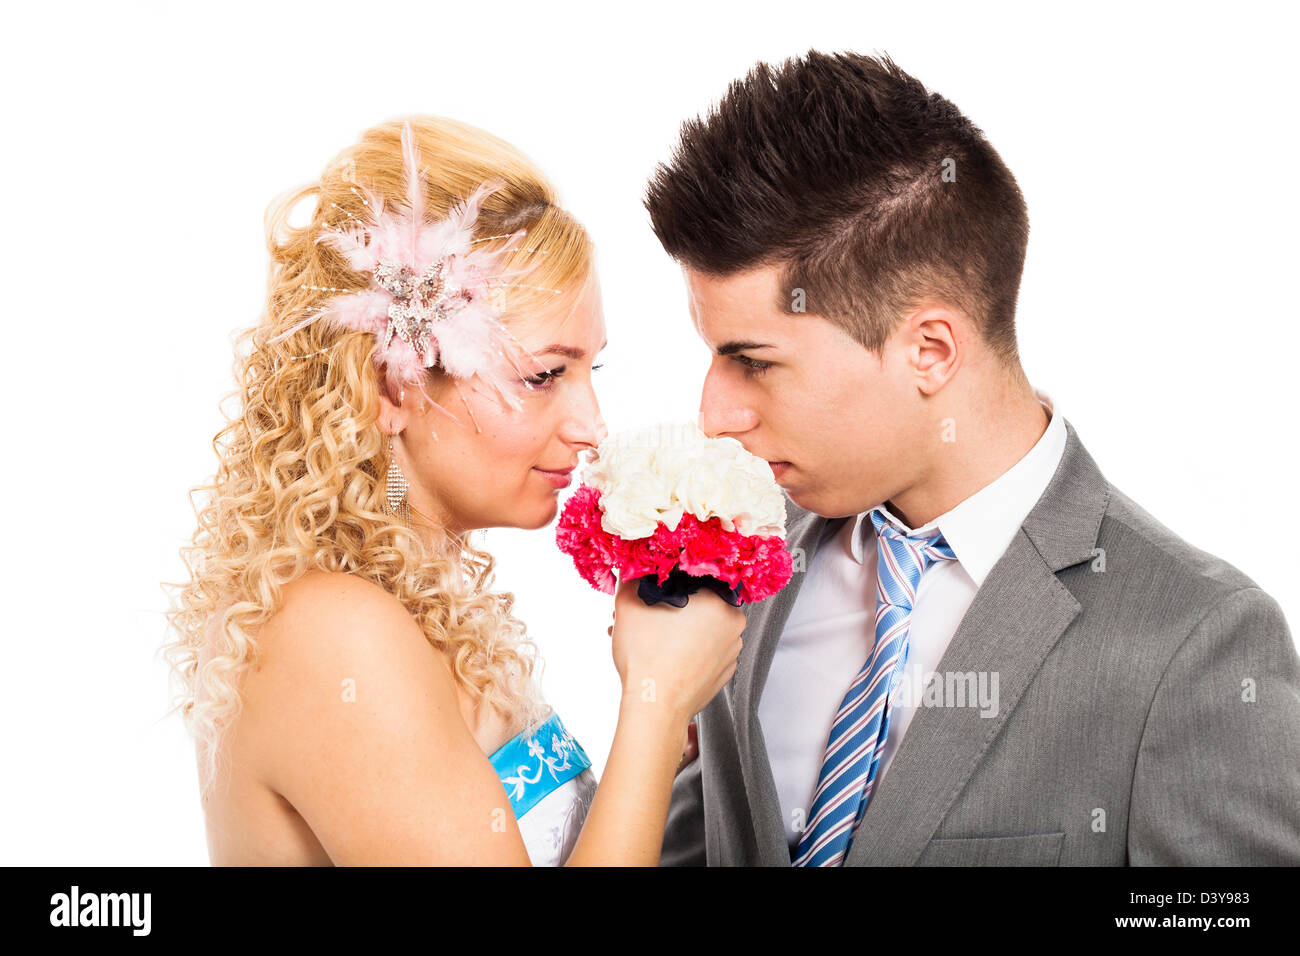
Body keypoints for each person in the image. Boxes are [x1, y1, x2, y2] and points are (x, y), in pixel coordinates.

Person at [644, 50, 1300, 865]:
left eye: (754, 361)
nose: (715, 414)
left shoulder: (1194, 642)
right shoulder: (747, 551)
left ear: (930, 349)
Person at [162, 116, 745, 866]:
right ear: (390, 385)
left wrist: (666, 747)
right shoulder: (334, 633)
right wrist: (654, 705)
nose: (592, 428)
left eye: (587, 372)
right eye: (542, 376)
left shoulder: (421, 601)